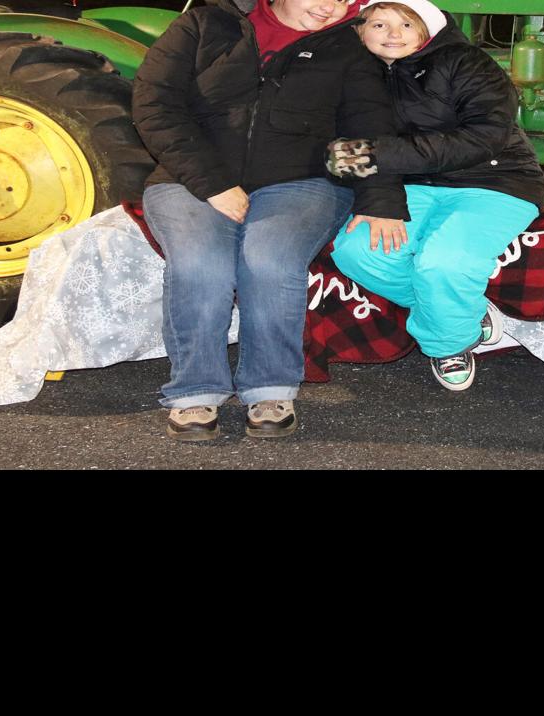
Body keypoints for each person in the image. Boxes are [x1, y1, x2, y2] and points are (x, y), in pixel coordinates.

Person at [133, 0, 408, 441]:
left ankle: (270, 388)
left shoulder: (347, 47)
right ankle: (195, 390)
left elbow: (366, 128)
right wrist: (212, 182)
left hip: (301, 182)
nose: (331, 8)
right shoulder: (205, 25)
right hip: (192, 177)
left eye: (344, 0)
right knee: (201, 261)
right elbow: (155, 104)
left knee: (269, 258)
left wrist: (380, 199)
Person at [324, 0, 544, 391]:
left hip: (494, 181)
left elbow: (485, 137)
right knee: (358, 251)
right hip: (412, 184)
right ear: (360, 30)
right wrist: (361, 181)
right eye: (379, 24)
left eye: (406, 24)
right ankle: (461, 313)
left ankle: (449, 343)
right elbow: (340, 147)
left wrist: (376, 155)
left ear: (428, 28)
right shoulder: (353, 74)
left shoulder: (466, 62)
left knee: (443, 262)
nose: (393, 34)